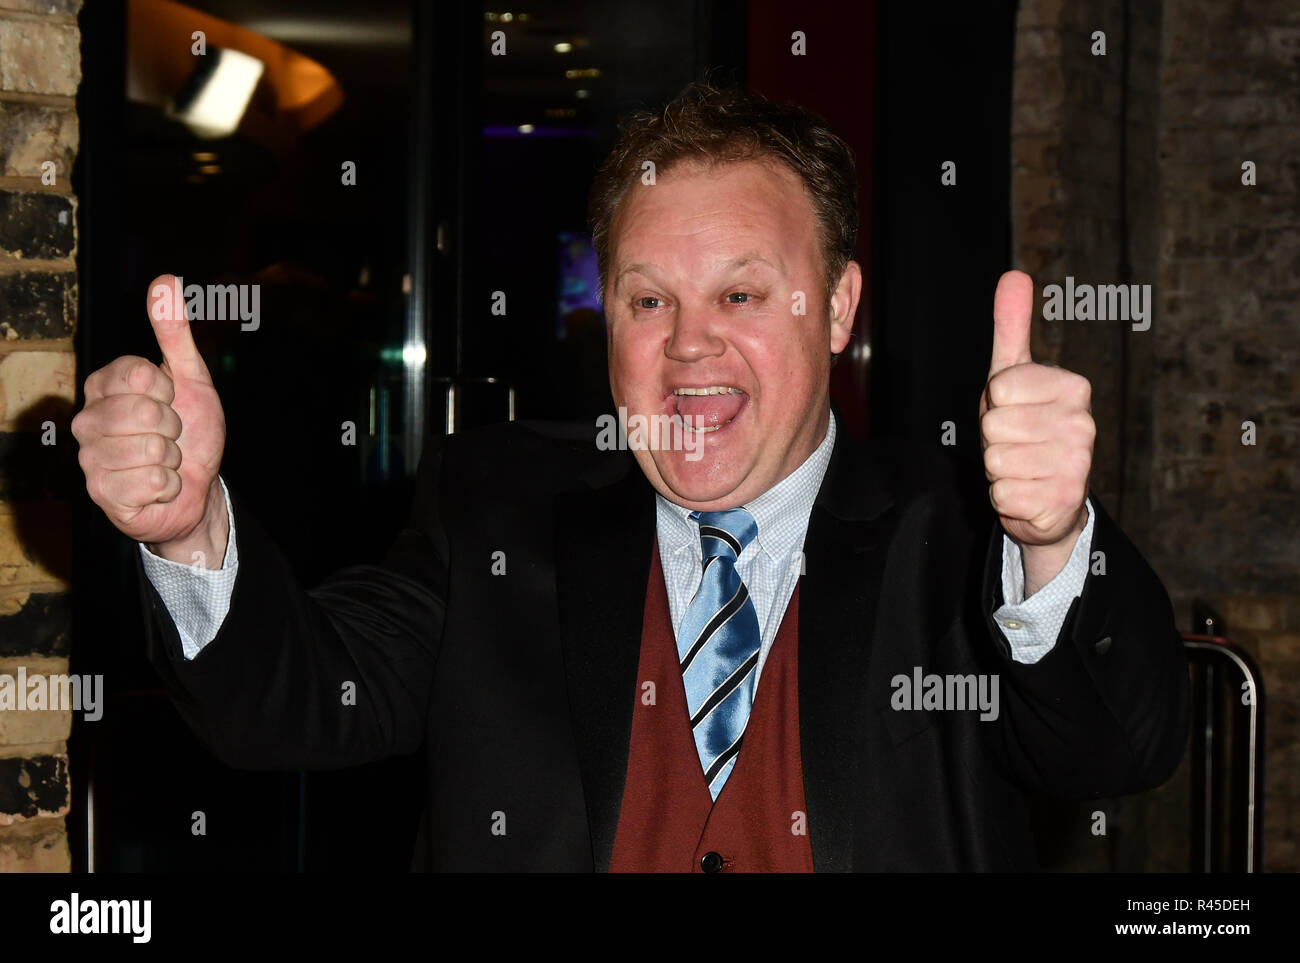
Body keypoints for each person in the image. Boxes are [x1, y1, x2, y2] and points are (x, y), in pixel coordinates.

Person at [71, 83, 1188, 871]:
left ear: (839, 308)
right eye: (650, 301)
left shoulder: (957, 539)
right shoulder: (496, 508)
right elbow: (295, 702)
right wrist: (184, 532)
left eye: (742, 297)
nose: (690, 346)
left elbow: (1119, 747)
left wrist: (1051, 542)